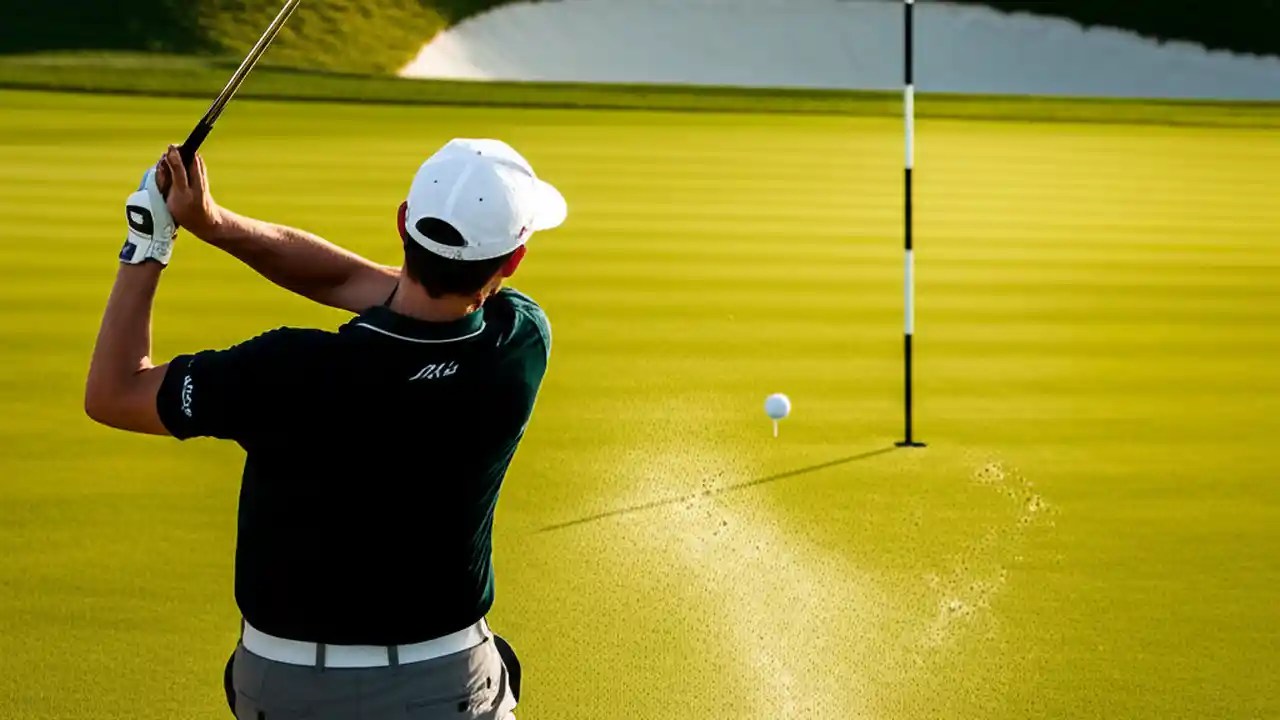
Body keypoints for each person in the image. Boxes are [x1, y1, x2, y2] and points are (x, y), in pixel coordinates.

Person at [85, 137, 566, 719]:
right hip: (448, 682)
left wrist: (149, 240)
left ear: (403, 223)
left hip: (285, 687)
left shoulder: (283, 367)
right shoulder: (517, 343)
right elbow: (366, 286)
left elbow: (114, 392)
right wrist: (213, 224)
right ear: (512, 262)